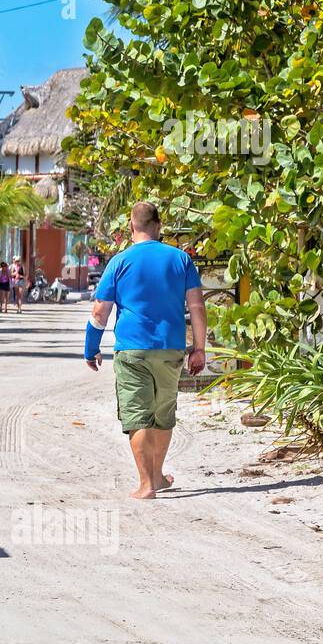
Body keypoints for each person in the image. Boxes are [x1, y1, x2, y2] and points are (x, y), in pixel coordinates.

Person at [85, 202, 207, 500]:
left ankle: (147, 484)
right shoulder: (181, 259)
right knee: (163, 413)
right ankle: (157, 476)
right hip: (170, 348)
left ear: (131, 227)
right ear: (159, 224)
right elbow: (197, 306)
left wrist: (91, 348)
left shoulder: (119, 261)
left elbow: (100, 312)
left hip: (132, 351)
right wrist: (200, 348)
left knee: (138, 416)